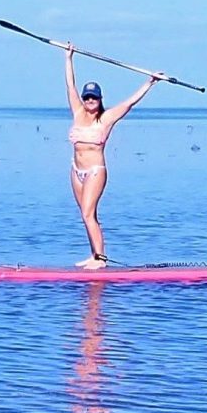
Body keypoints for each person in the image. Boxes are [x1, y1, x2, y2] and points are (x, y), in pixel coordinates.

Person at [60, 42, 164, 267]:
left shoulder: (106, 118)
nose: (89, 101)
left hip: (95, 171)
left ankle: (101, 259)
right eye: (87, 97)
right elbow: (70, 86)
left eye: (93, 98)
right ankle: (95, 255)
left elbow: (130, 102)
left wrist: (150, 82)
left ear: (100, 100)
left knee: (88, 214)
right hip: (75, 170)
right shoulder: (77, 112)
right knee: (88, 215)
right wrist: (68, 58)